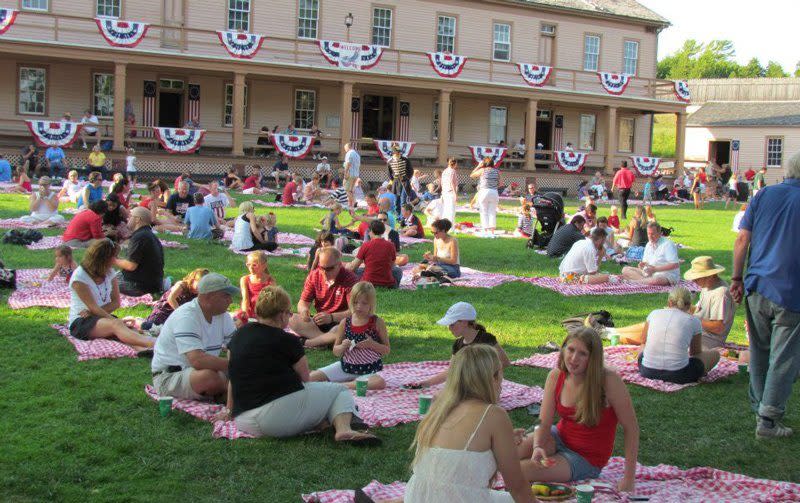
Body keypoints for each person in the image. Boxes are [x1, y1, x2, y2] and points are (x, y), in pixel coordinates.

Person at [223, 285, 380, 444]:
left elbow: (233, 377)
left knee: (318, 395)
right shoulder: (288, 340)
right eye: (289, 313)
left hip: (243, 420)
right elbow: (305, 379)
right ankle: (344, 430)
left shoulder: (238, 336)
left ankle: (324, 424)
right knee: (338, 391)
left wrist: (229, 410)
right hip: (273, 418)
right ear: (282, 315)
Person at [405, 344, 537, 503]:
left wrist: (504, 442)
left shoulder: (438, 406)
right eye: (501, 374)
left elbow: (461, 464)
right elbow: (517, 486)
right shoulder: (494, 415)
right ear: (493, 377)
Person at [731, 151, 800, 438]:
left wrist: (736, 277)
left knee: (759, 351)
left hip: (757, 284)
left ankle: (761, 408)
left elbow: (742, 238)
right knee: (783, 356)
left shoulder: (764, 195)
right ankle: (768, 419)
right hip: (791, 290)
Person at [517, 328, 638, 491]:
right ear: (563, 349)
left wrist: (629, 478)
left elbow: (632, 429)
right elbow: (542, 422)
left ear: (593, 358)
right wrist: (538, 445)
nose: (574, 359)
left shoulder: (609, 381)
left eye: (583, 353)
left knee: (518, 470)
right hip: (557, 437)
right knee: (507, 454)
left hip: (585, 459)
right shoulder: (555, 376)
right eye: (571, 349)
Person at [151, 273, 238, 401]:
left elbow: (236, 346)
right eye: (226, 295)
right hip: (169, 376)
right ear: (209, 297)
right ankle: (238, 395)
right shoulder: (187, 316)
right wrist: (237, 365)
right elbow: (197, 360)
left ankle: (233, 393)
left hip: (198, 371)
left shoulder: (223, 316)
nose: (230, 300)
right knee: (209, 378)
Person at [68, 239, 155, 351]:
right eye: (114, 257)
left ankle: (145, 350)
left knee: (128, 330)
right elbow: (93, 307)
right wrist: (109, 318)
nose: (116, 260)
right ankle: (154, 343)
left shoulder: (109, 273)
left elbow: (116, 303)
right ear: (102, 259)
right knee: (117, 326)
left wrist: (94, 312)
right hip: (81, 321)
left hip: (98, 316)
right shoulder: (79, 277)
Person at [410, 302, 511, 388]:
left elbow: (505, 362)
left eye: (452, 324)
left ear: (464, 322)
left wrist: (480, 374)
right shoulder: (458, 344)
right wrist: (427, 383)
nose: (449, 328)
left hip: (486, 387)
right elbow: (452, 370)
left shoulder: (486, 339)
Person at [310, 281, 389, 390]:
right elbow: (336, 351)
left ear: (371, 304)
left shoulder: (377, 322)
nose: (359, 307)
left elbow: (386, 350)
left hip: (369, 370)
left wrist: (372, 344)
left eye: (364, 303)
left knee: (379, 383)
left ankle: (341, 385)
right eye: (356, 302)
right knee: (311, 377)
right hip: (346, 367)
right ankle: (350, 383)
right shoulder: (345, 322)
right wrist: (343, 346)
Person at [637, 287, 721, 384]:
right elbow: (695, 353)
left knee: (643, 348)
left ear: (669, 302)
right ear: (689, 305)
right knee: (715, 354)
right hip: (679, 375)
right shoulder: (693, 321)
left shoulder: (654, 313)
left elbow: (643, 341)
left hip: (647, 370)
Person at [289, 247, 358, 348]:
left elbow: (355, 312)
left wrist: (331, 317)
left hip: (341, 322)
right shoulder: (314, 275)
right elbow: (303, 302)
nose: (325, 272)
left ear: (339, 265)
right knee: (292, 318)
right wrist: (303, 311)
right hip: (319, 321)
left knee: (340, 329)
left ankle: (315, 342)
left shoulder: (350, 280)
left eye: (329, 268)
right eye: (322, 268)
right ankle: (326, 341)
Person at [683, 256, 735, 350]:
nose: (693, 281)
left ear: (710, 276)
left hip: (709, 339)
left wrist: (691, 319)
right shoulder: (706, 286)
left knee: (673, 344)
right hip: (697, 332)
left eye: (697, 278)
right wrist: (681, 308)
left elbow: (718, 327)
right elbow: (699, 311)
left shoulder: (720, 293)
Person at [113, 207, 166, 296]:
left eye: (130, 216)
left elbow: (131, 265)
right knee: (109, 277)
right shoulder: (149, 235)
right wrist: (118, 259)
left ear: (137, 219)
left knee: (102, 283)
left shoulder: (140, 237)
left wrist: (111, 260)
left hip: (139, 286)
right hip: (153, 283)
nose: (127, 219)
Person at [144, 268, 208, 329]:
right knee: (151, 326)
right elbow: (171, 298)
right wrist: (180, 312)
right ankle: (137, 322)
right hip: (166, 309)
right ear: (193, 280)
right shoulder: (182, 285)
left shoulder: (199, 293)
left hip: (179, 315)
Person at [347, 220, 401, 288]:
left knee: (355, 270)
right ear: (383, 231)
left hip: (367, 282)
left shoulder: (366, 245)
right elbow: (392, 265)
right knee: (398, 271)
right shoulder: (391, 245)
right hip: (388, 283)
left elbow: (353, 267)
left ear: (371, 231)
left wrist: (347, 266)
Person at [235, 251, 276, 325]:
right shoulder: (245, 279)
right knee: (240, 323)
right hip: (250, 310)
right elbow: (245, 299)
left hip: (264, 310)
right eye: (248, 265)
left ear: (264, 266)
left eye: (254, 265)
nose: (251, 268)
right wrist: (244, 312)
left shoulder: (270, 280)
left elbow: (272, 299)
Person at [470, 157, 501, 237]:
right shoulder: (497, 171)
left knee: (483, 211)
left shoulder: (482, 170)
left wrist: (478, 166)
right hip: (494, 192)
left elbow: (472, 175)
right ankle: (492, 230)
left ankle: (485, 229)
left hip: (484, 191)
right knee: (492, 212)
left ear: (484, 163)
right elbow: (500, 184)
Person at [387, 146, 413, 213]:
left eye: (397, 151)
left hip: (405, 182)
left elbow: (410, 171)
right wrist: (394, 180)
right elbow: (389, 173)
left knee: (403, 200)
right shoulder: (390, 161)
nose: (396, 153)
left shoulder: (405, 160)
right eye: (395, 151)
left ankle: (403, 216)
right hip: (396, 182)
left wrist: (406, 178)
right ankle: (398, 215)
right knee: (396, 200)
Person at [343, 143, 361, 209]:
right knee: (351, 190)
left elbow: (348, 163)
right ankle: (350, 204)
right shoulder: (357, 154)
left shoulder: (349, 153)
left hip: (350, 174)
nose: (345, 150)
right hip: (356, 174)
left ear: (348, 147)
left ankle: (354, 202)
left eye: (345, 148)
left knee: (346, 189)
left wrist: (345, 173)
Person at [441, 158, 458, 224]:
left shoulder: (444, 171)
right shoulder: (452, 171)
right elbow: (452, 182)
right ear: (455, 164)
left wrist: (442, 193)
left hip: (445, 192)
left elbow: (442, 182)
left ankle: (444, 224)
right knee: (451, 210)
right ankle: (450, 225)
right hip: (450, 192)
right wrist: (455, 194)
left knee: (446, 210)